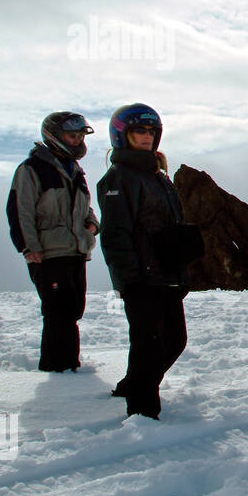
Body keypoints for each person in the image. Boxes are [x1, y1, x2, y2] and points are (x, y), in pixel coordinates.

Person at [97, 103, 190, 420]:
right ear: (123, 135)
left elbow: (170, 227)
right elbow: (114, 234)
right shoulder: (118, 179)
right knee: (148, 344)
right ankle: (143, 413)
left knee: (175, 340)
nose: (147, 136)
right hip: (141, 278)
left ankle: (134, 384)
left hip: (166, 275)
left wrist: (182, 270)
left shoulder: (157, 176)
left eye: (152, 131)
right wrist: (128, 280)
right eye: (140, 130)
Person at [7, 112, 100, 372]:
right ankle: (56, 368)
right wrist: (29, 246)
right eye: (72, 136)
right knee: (57, 311)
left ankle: (70, 365)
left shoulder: (75, 170)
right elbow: (20, 209)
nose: (77, 141)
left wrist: (93, 224)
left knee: (72, 310)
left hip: (76, 250)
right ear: (54, 136)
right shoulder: (32, 168)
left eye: (80, 136)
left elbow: (84, 206)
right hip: (48, 252)